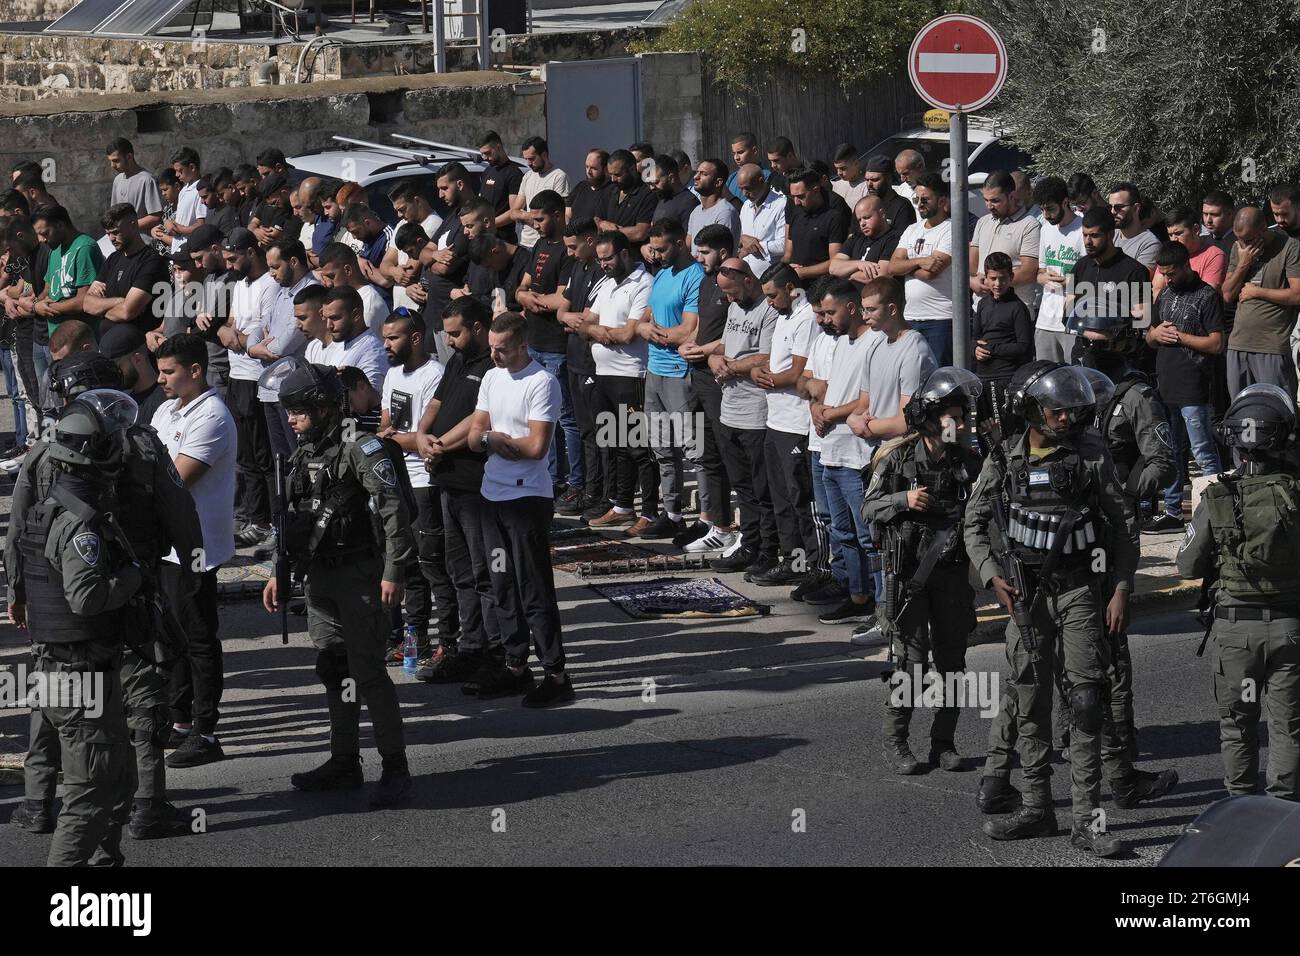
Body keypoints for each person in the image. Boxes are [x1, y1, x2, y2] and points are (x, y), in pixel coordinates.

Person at [7, 358, 203, 841]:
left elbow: (18, 527)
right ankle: (147, 805)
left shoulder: (47, 448)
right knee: (140, 699)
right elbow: (182, 515)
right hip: (129, 595)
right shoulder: (144, 445)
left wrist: (18, 591)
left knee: (52, 694)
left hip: (60, 599)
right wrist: (190, 575)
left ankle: (37, 804)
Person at [964, 364, 1137, 858]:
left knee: (1085, 702)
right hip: (1024, 596)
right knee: (1029, 703)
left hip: (1080, 590)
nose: (1065, 417)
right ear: (1033, 412)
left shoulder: (1090, 454)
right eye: (1055, 410)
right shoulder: (1003, 458)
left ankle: (1088, 820)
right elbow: (973, 524)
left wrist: (1121, 589)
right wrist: (990, 575)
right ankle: (1039, 807)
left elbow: (1122, 526)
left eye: (1069, 409)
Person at [260, 359, 415, 805]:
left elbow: (393, 510)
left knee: (368, 673)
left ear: (323, 406)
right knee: (334, 668)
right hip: (320, 576)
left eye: (298, 410)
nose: (290, 419)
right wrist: (278, 572)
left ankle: (395, 768)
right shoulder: (304, 452)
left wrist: (394, 572)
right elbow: (291, 520)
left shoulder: (361, 448)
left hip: (360, 575)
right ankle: (345, 761)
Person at [10, 398, 141, 865]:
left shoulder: (47, 511)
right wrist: (132, 579)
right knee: (88, 798)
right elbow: (86, 598)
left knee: (118, 780)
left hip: (59, 672)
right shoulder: (80, 527)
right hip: (79, 677)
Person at [1177, 384, 1300, 802]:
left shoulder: (1219, 496)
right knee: (1288, 725)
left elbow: (1187, 565)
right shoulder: (1296, 496)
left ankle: (1240, 807)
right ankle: (1283, 811)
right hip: (1290, 628)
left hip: (1235, 632)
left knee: (1237, 726)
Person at [863, 367, 983, 774]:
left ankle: (943, 742)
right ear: (931, 417)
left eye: (963, 415)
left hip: (951, 575)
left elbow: (986, 511)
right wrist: (903, 500)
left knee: (953, 662)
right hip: (909, 575)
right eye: (953, 415)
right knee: (910, 666)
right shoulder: (896, 457)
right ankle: (897, 741)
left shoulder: (968, 461)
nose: (961, 423)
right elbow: (869, 508)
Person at [467, 313, 575, 706]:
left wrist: (492, 440)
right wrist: (495, 440)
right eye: (492, 347)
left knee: (533, 588)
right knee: (501, 584)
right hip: (491, 497)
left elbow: (535, 448)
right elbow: (476, 434)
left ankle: (557, 673)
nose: (494, 355)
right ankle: (515, 665)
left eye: (503, 349)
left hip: (526, 499)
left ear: (523, 346)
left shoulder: (541, 382)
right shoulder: (492, 377)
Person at [151, 334, 237, 768]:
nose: (161, 379)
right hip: (165, 545)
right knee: (172, 638)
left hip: (196, 545)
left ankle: (206, 730)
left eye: (169, 372)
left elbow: (176, 478)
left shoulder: (214, 416)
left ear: (196, 371)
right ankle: (180, 718)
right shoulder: (167, 410)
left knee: (199, 638)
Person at [414, 298, 502, 685]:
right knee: (459, 570)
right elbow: (437, 403)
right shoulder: (456, 361)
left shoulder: (493, 368)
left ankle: (496, 653)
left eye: (455, 332)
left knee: (487, 572)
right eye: (447, 333)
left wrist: (439, 446)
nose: (448, 340)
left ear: (479, 328)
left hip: (476, 484)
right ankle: (468, 647)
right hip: (447, 481)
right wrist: (420, 435)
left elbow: (475, 420)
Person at [379, 308, 451, 664]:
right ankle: (415, 636)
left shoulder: (434, 375)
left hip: (424, 480)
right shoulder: (392, 375)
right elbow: (387, 425)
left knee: (431, 564)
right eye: (385, 339)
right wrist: (391, 438)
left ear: (416, 337)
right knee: (406, 564)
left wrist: (396, 439)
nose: (386, 345)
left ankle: (449, 640)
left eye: (393, 338)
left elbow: (426, 437)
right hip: (397, 481)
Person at [1144, 242, 1225, 533]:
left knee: (1202, 452)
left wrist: (1180, 337)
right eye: (1163, 274)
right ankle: (1173, 511)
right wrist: (1156, 334)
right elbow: (1149, 336)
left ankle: (1218, 511)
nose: (1167, 279)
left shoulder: (1207, 296)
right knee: (1172, 452)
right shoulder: (1164, 292)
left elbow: (1216, 344)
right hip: (1166, 384)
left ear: (1187, 266)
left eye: (1172, 273)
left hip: (1194, 385)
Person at [708, 259, 779, 576]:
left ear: (748, 280)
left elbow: (766, 357)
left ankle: (768, 549)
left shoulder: (768, 308)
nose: (729, 300)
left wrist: (730, 366)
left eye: (732, 292)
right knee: (742, 487)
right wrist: (713, 358)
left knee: (762, 489)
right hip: (729, 409)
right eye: (725, 294)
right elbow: (725, 346)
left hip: (756, 412)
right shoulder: (735, 307)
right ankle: (749, 545)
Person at [635, 217, 705, 539]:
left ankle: (706, 519)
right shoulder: (661, 274)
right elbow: (643, 319)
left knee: (694, 449)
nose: (656, 255)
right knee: (662, 449)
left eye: (662, 249)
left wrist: (652, 332)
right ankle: (673, 513)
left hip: (680, 374)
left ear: (679, 243)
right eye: (653, 249)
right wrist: (644, 328)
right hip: (655, 371)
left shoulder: (695, 276)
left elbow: (688, 331)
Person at [582, 230, 657, 530]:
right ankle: (623, 504)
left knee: (639, 447)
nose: (603, 264)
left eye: (608, 258)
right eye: (600, 260)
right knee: (615, 444)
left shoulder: (644, 283)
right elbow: (584, 324)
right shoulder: (607, 284)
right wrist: (597, 332)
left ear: (625, 253)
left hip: (631, 376)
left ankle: (650, 512)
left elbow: (629, 333)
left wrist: (599, 333)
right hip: (603, 376)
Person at [752, 263, 820, 588]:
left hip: (796, 422)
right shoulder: (784, 315)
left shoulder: (807, 318)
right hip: (774, 419)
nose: (769, 302)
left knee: (799, 499)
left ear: (791, 287)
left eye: (772, 294)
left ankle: (812, 566)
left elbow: (796, 373)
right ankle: (792, 561)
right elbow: (772, 363)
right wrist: (757, 372)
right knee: (780, 499)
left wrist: (766, 379)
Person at [1221, 205, 1300, 398]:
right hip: (1238, 344)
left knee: (1275, 413)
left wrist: (1258, 292)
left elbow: (1297, 295)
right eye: (1239, 239)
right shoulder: (1239, 249)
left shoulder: (1290, 247)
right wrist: (1243, 264)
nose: (1243, 245)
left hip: (1271, 345)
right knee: (1242, 411)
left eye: (1248, 239)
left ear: (1264, 229)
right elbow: (1227, 294)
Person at [884, 173, 953, 363]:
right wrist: (920, 261)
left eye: (925, 199)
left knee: (939, 377)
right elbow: (891, 266)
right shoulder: (912, 229)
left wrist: (905, 266)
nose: (919, 203)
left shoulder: (952, 229)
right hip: (911, 317)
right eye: (916, 199)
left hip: (941, 319)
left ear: (942, 201)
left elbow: (931, 273)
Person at [970, 170, 1040, 311]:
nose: (989, 206)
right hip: (981, 308)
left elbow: (1028, 272)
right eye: (986, 200)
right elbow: (972, 265)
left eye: (995, 201)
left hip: (1014, 312)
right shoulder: (983, 222)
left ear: (1012, 196)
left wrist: (992, 282)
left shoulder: (1029, 225)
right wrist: (971, 281)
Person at [1033, 175, 1085, 363]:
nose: (1046, 215)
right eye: (1042, 209)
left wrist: (1068, 282)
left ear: (1065, 202)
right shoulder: (1046, 229)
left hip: (1073, 322)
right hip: (1046, 320)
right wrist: (1043, 278)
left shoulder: (1083, 229)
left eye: (1050, 209)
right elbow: (1040, 272)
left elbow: (1092, 276)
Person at [972, 252, 1034, 407]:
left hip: (1007, 376)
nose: (998, 284)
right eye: (993, 278)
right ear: (985, 277)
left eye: (1003, 278)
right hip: (983, 375)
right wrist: (975, 349)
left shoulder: (1018, 308)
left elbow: (1024, 346)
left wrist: (991, 349)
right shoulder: (982, 304)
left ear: (1011, 277)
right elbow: (974, 337)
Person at [99, 322, 167, 423]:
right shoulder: (122, 404)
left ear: (137, 359)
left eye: (116, 366)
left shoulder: (166, 402)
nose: (113, 373)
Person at [738, 164, 788, 279]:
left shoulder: (781, 204)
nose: (744, 193)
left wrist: (757, 246)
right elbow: (740, 236)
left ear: (761, 181)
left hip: (771, 278)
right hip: (746, 277)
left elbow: (785, 244)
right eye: (741, 189)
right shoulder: (746, 206)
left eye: (748, 188)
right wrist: (743, 239)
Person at [107, 137, 164, 235]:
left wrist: (128, 226)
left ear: (129, 157)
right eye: (111, 161)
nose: (112, 165)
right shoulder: (118, 180)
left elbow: (156, 217)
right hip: (121, 241)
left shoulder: (147, 180)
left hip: (142, 242)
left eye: (116, 160)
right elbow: (114, 213)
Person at [477, 130, 524, 241]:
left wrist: (490, 224)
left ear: (498, 147)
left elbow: (514, 211)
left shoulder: (513, 173)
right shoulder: (487, 171)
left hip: (502, 239)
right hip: (484, 237)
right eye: (482, 153)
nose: (484, 157)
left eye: (487, 153)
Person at [687, 158, 740, 254]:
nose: (696, 177)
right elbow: (689, 246)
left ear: (718, 182)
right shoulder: (696, 211)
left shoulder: (725, 212)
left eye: (704, 174)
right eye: (697, 172)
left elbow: (720, 254)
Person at [1108, 182, 1160, 274]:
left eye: (1118, 207)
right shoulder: (1109, 235)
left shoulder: (1150, 244)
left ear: (1136, 208)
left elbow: (1138, 282)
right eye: (1110, 207)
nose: (1112, 212)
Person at [861, 154, 916, 233]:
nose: (869, 184)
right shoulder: (863, 205)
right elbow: (853, 236)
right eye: (867, 180)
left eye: (875, 180)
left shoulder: (902, 207)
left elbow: (903, 240)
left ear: (889, 179)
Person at [567, 149, 613, 226]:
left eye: (594, 168)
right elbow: (567, 214)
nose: (588, 172)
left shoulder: (613, 191)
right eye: (587, 167)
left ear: (605, 169)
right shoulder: (581, 186)